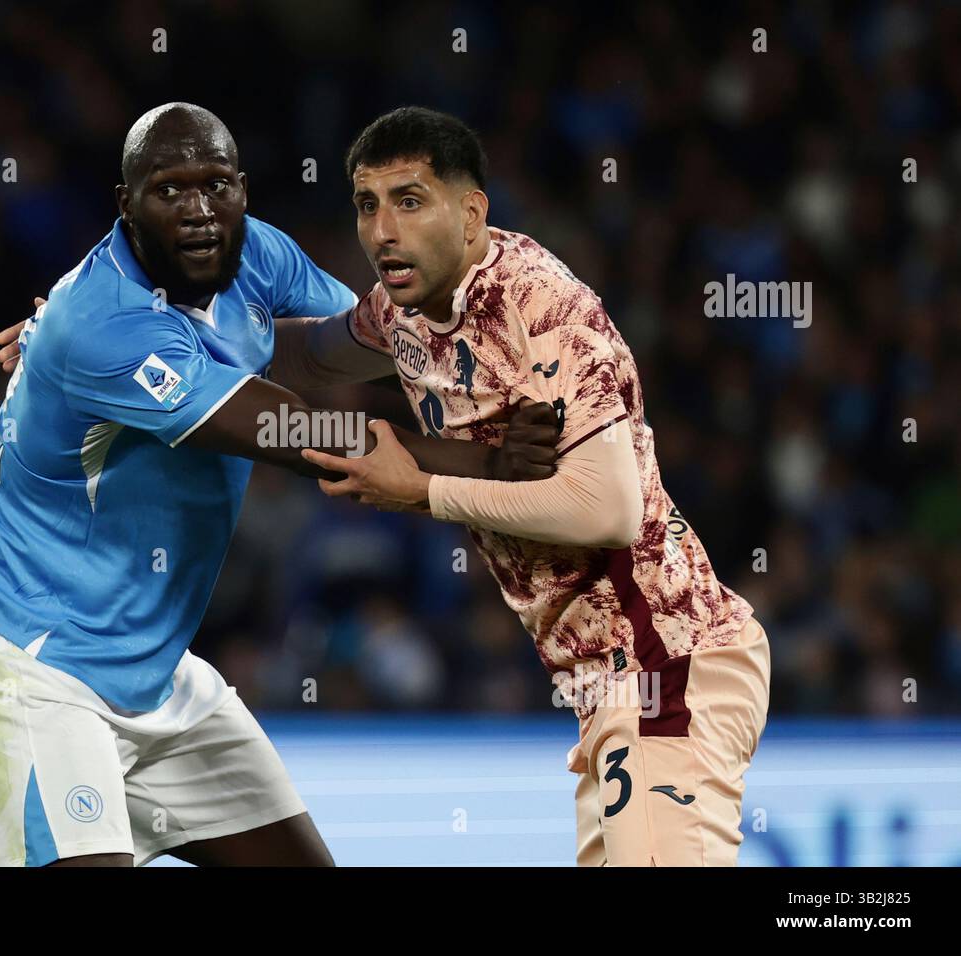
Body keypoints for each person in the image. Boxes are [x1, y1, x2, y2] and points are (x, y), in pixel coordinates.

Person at [0, 102, 559, 868]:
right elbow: (293, 433)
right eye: (170, 191)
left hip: (151, 671)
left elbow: (359, 346)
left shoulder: (254, 254)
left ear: (243, 190)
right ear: (126, 206)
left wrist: (497, 381)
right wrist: (487, 462)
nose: (199, 212)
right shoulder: (102, 325)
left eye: (216, 187)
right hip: (31, 662)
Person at [299, 106, 771, 866]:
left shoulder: (543, 307)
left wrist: (420, 489)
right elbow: (314, 358)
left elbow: (607, 509)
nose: (383, 228)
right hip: (602, 690)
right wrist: (160, 323)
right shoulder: (404, 314)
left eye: (409, 201)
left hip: (667, 662)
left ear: (471, 211)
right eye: (367, 204)